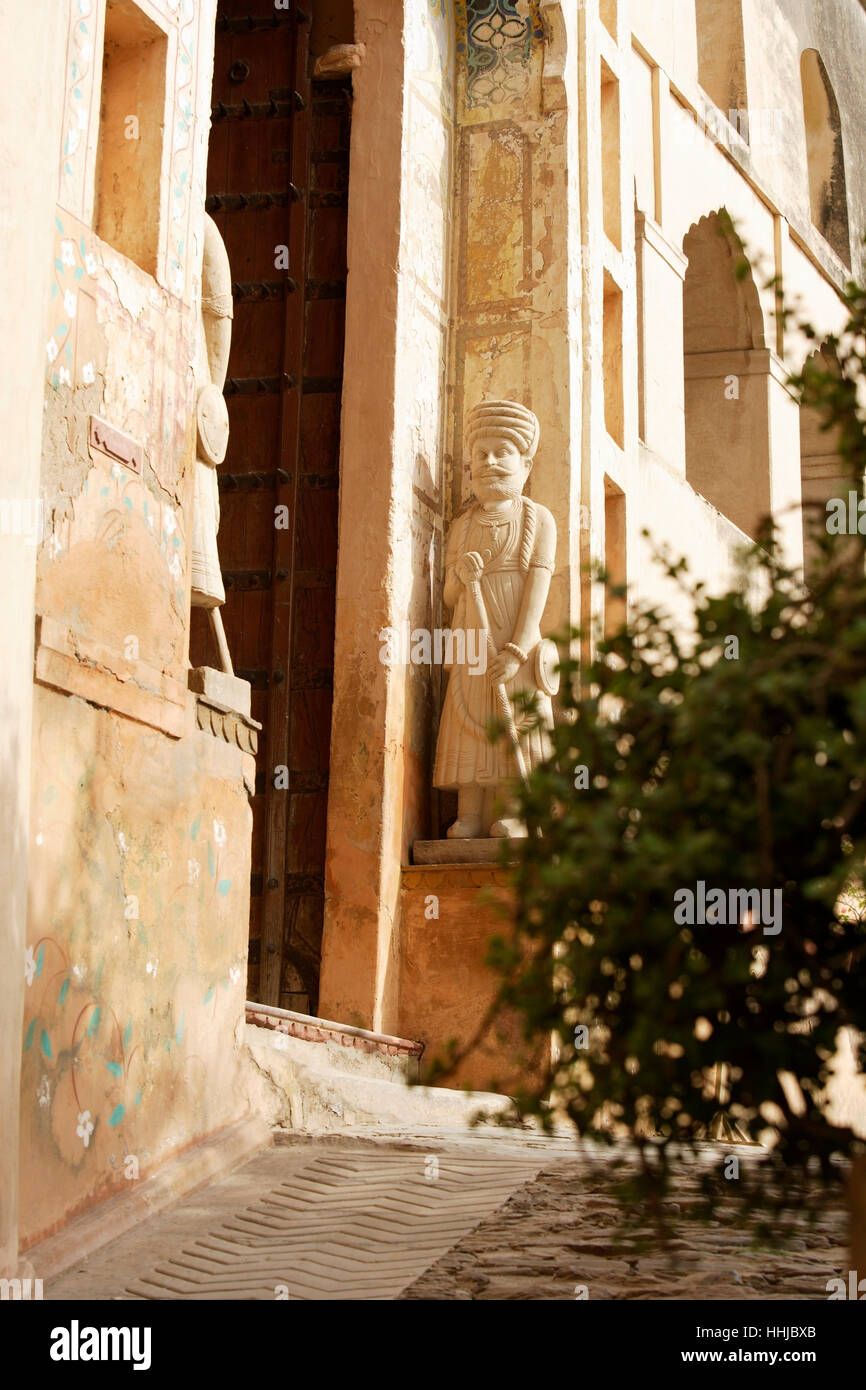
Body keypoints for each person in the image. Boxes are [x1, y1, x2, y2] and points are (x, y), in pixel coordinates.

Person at [433, 399, 558, 838]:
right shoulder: (461, 526)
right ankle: (469, 814)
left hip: (513, 638)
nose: (489, 462)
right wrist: (463, 577)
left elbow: (537, 592)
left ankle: (514, 812)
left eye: (501, 451)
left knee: (514, 720)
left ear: (525, 463)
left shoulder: (538, 519)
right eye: (481, 454)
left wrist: (519, 649)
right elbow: (449, 596)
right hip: (471, 635)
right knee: (472, 721)